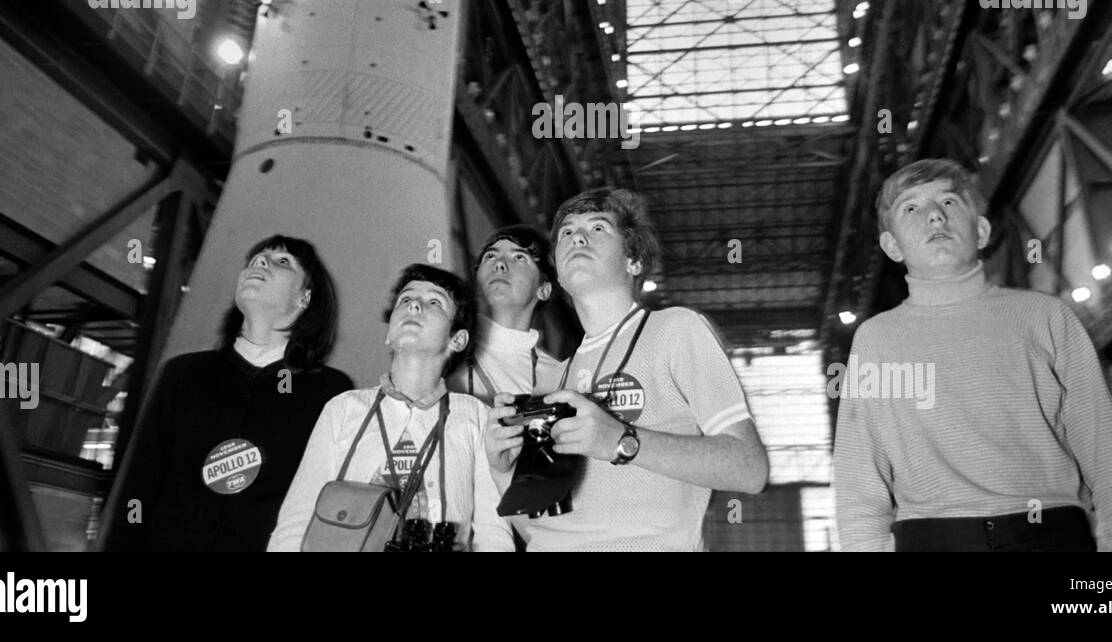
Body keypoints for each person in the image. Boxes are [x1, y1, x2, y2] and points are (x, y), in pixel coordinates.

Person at [833, 158, 1112, 552]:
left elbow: (1107, 453)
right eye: (911, 208)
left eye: (951, 203)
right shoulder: (876, 341)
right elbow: (859, 480)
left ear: (981, 230)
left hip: (1051, 536)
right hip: (934, 539)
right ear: (891, 245)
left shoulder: (1046, 317)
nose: (936, 217)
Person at [485, 187, 768, 551]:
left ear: (633, 261)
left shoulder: (676, 330)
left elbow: (750, 469)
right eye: (567, 232)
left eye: (598, 228)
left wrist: (622, 441)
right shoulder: (552, 382)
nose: (578, 236)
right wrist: (501, 470)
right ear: (556, 273)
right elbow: (539, 532)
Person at [106, 234, 353, 551]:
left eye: (282, 262)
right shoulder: (181, 375)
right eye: (254, 260)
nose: (260, 262)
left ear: (305, 297)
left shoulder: (331, 393)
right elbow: (139, 487)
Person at [268, 263, 512, 551]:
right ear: (388, 333)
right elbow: (296, 520)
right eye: (405, 300)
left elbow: (493, 532)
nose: (415, 307)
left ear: (457, 339)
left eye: (434, 302)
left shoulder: (476, 415)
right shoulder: (343, 408)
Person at [449, 224, 562, 404]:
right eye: (490, 256)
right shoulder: (446, 346)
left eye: (519, 257)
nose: (500, 264)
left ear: (543, 289)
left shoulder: (557, 378)